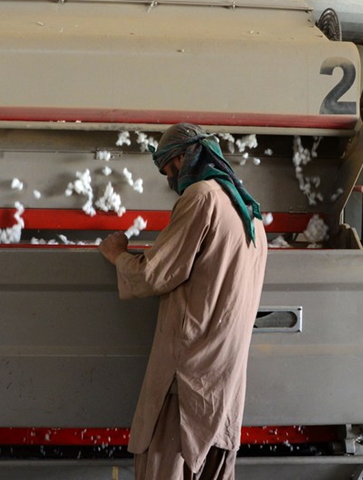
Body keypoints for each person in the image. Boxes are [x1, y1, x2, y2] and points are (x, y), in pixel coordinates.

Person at [99, 123, 268, 480]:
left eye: (169, 168)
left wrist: (118, 255)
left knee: (168, 461)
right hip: (224, 372)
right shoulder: (250, 212)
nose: (170, 180)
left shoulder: (201, 197)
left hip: (187, 373)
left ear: (183, 156)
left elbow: (153, 275)